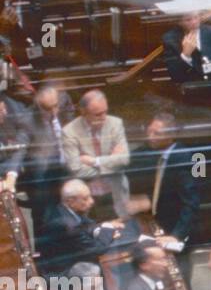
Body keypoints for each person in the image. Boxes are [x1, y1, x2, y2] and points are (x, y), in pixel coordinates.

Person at [62, 89, 130, 218]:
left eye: (105, 112)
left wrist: (95, 161)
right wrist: (111, 160)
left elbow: (124, 160)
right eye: (98, 114)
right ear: (83, 112)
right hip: (87, 195)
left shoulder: (115, 123)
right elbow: (76, 170)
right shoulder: (69, 132)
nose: (104, 118)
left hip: (116, 191)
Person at [19, 84, 74, 234]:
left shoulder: (63, 100)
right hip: (42, 176)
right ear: (38, 106)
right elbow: (19, 150)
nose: (53, 112)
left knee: (72, 207)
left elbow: (70, 116)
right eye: (47, 109)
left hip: (66, 167)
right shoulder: (27, 120)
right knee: (44, 215)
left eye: (55, 106)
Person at [35, 179, 120, 277]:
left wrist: (97, 229)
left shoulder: (63, 209)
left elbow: (86, 223)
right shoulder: (67, 225)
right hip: (63, 274)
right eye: (85, 199)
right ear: (70, 201)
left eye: (90, 197)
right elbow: (96, 249)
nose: (91, 201)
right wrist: (107, 228)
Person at [140, 113, 200, 247]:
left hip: (176, 228)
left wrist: (176, 236)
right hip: (159, 222)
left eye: (157, 134)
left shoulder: (185, 159)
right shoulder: (154, 151)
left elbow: (191, 203)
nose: (150, 137)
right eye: (149, 131)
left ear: (171, 136)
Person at [161, 12, 211, 83]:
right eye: (188, 20)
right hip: (191, 86)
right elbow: (176, 76)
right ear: (180, 22)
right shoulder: (170, 39)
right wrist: (186, 55)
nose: (194, 22)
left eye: (196, 17)